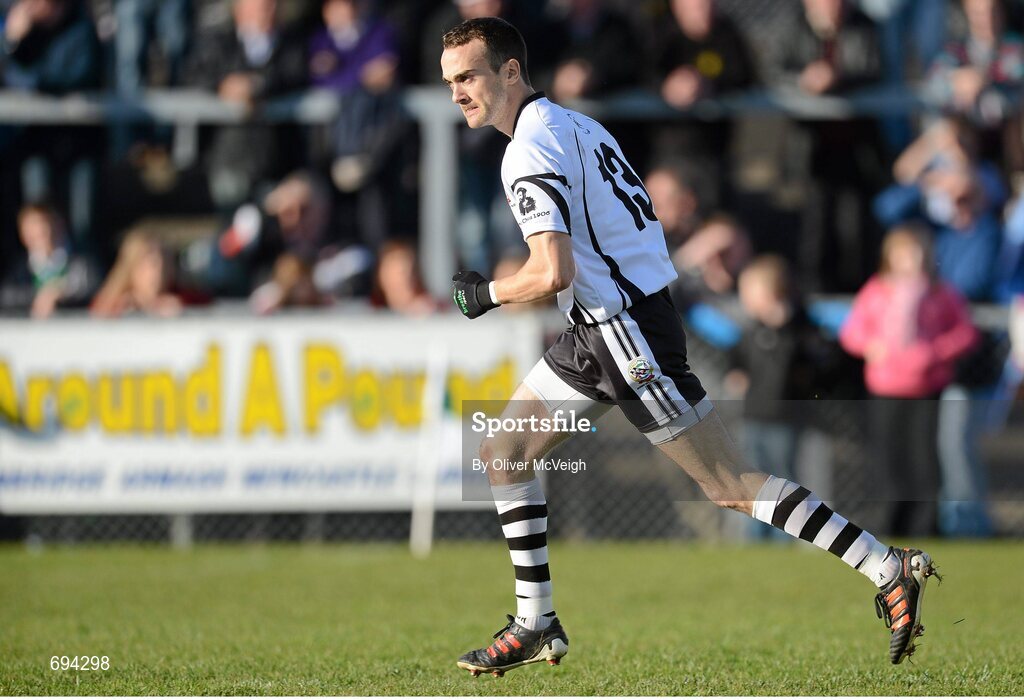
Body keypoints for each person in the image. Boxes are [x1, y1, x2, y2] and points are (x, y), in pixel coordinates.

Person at [440, 17, 940, 676]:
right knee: (503, 451)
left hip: (623, 333)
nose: (458, 93)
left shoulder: (527, 149)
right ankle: (536, 619)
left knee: (729, 485)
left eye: (469, 76)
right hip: (602, 328)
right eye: (450, 81)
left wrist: (487, 294)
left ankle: (887, 565)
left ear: (510, 71)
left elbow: (550, 272)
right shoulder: (574, 124)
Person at [839, 225, 979, 536]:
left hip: (927, 389)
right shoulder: (878, 290)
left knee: (924, 459)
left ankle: (926, 525)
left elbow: (965, 333)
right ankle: (890, 524)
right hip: (886, 388)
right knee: (889, 459)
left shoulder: (941, 294)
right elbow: (853, 331)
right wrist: (871, 345)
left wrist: (934, 352)